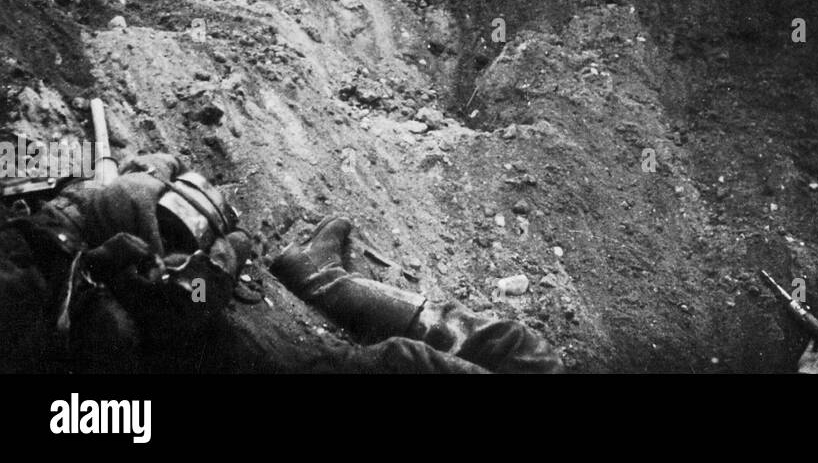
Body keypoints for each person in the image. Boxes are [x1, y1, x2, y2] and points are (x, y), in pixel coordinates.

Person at [0, 154, 561, 374]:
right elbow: (177, 306)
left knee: (509, 350)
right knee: (406, 362)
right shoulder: (72, 304)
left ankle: (321, 279)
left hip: (269, 329)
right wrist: (213, 271)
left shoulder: (57, 244)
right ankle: (322, 281)